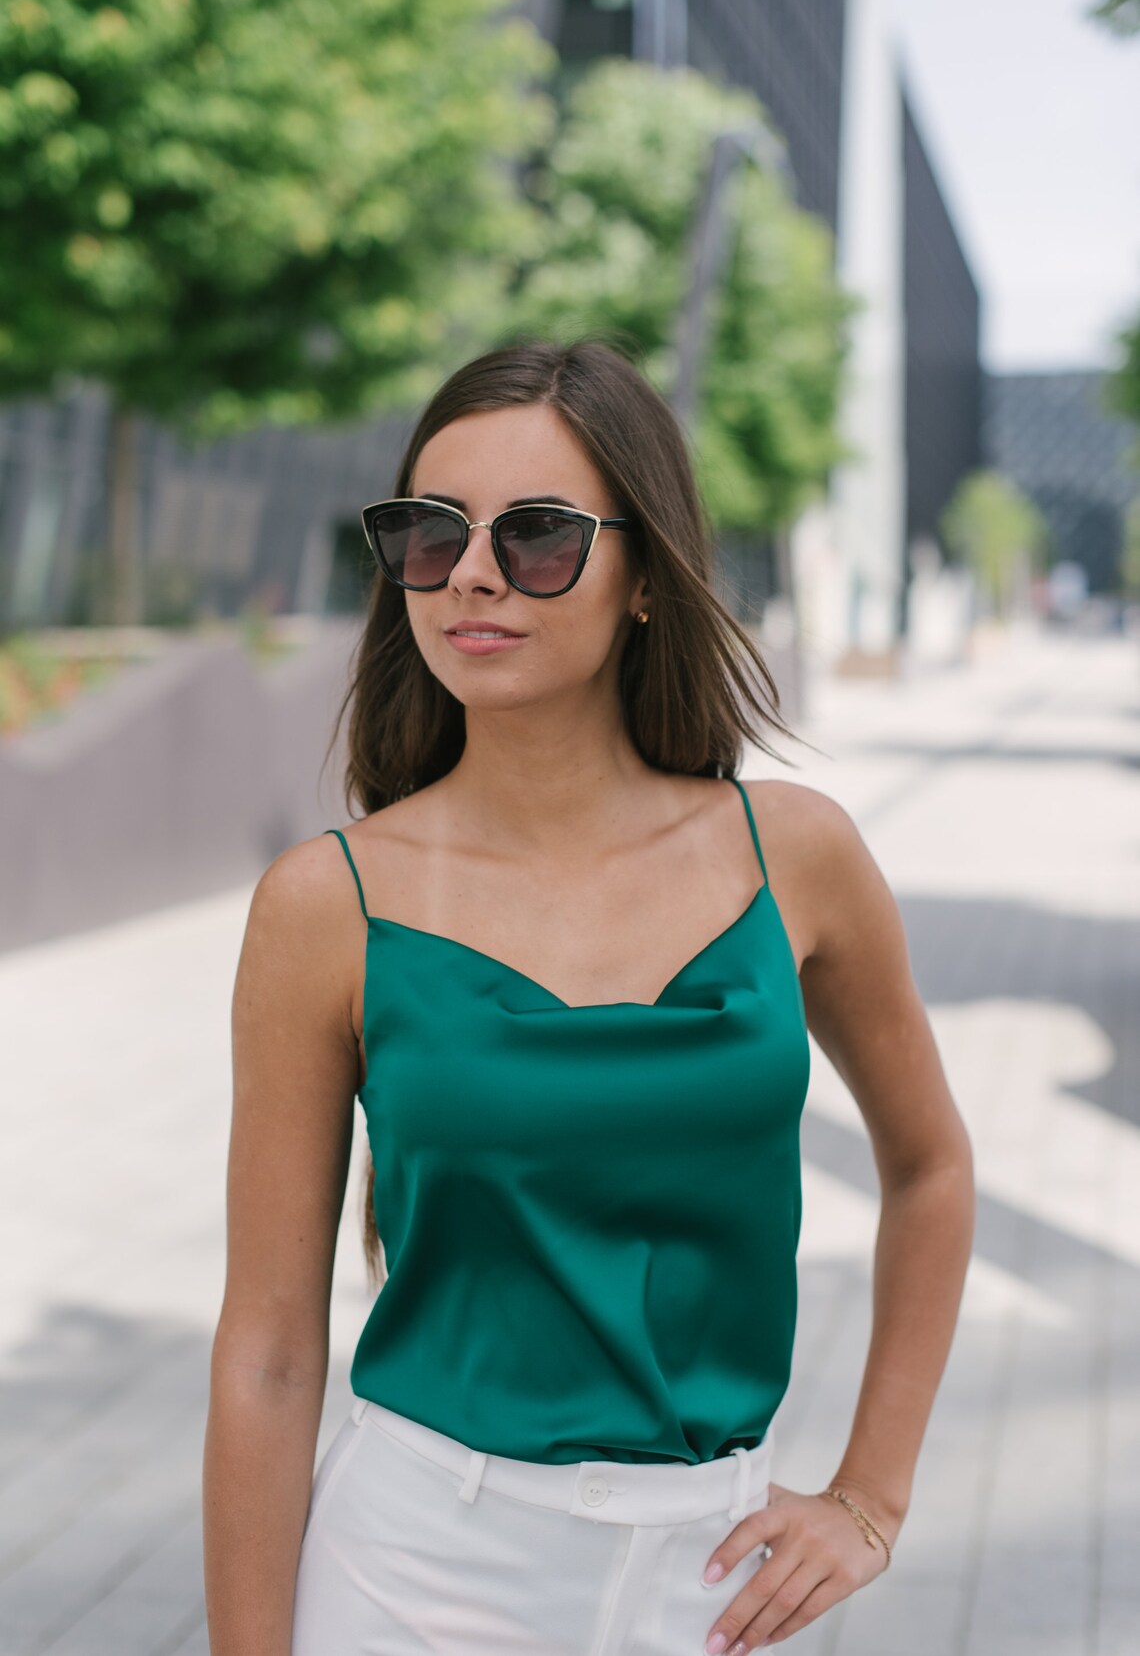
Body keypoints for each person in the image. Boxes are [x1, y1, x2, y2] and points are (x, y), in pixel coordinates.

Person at [202, 338, 975, 1656]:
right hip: (412, 1574)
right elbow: (272, 1351)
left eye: (541, 534)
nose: (476, 575)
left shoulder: (799, 855)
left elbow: (931, 1168)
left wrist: (870, 1497)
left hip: (715, 1586)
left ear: (645, 581)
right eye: (429, 535)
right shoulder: (329, 903)